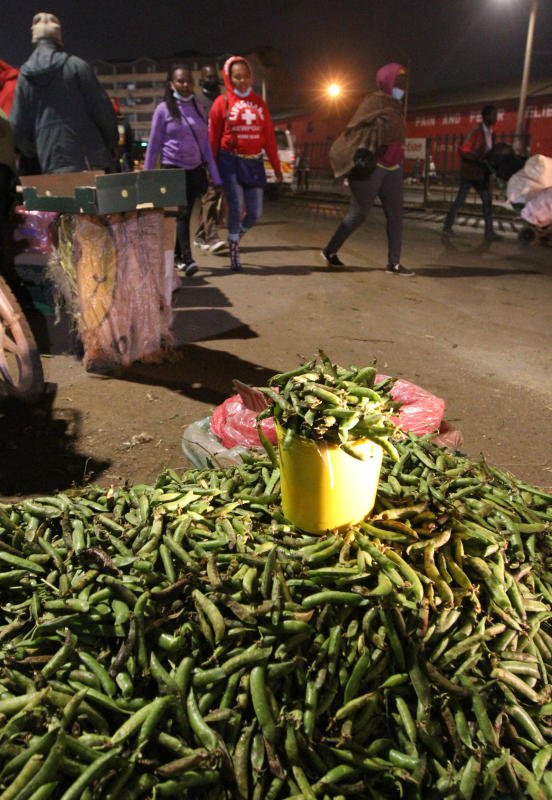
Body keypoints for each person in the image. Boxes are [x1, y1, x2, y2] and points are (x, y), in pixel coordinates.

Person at [322, 63, 415, 276]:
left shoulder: (397, 106)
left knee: (396, 215)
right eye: (397, 81)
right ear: (386, 81)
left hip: (393, 167)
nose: (401, 85)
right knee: (358, 215)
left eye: (403, 81)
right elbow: (356, 131)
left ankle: (394, 263)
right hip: (372, 167)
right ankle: (330, 251)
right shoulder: (373, 102)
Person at [10, 12, 118, 174]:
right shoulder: (77, 67)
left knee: (60, 198)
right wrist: (110, 144)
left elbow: (17, 127)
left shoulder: (25, 77)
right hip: (89, 158)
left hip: (49, 161)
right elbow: (103, 112)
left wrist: (36, 149)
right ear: (58, 38)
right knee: (92, 199)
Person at [143, 64, 221, 277]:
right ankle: (187, 259)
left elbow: (205, 144)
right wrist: (146, 175)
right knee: (182, 213)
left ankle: (178, 256)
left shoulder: (197, 106)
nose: (185, 85)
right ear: (171, 84)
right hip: (173, 169)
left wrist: (214, 174)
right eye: (180, 81)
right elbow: (154, 144)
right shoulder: (163, 109)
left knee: (185, 216)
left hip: (195, 170)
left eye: (188, 81)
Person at [209, 55, 282, 272]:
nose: (242, 80)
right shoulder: (221, 103)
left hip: (254, 162)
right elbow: (213, 137)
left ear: (251, 77)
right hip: (229, 160)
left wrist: (277, 167)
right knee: (236, 207)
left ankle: (234, 238)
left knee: (255, 213)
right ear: (229, 78)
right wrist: (212, 169)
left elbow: (268, 137)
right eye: (237, 77)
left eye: (245, 76)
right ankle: (234, 252)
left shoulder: (260, 104)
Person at [442, 104, 502, 242]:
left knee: (487, 201)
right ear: (485, 116)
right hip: (470, 173)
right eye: (493, 115)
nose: (495, 118)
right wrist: (478, 158)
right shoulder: (476, 132)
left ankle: (489, 232)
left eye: (496, 115)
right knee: (460, 200)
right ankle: (447, 227)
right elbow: (463, 150)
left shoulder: (491, 133)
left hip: (481, 174)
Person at [193, 65, 225, 254]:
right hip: (205, 155)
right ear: (202, 79)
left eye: (214, 76)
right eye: (208, 76)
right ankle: (212, 237)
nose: (211, 79)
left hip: (222, 155)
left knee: (212, 196)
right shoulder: (198, 102)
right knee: (211, 195)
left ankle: (199, 236)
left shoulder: (222, 100)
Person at [111, 97, 134, 172]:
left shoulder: (123, 122)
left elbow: (128, 142)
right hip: (110, 162)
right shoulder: (104, 122)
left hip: (122, 161)